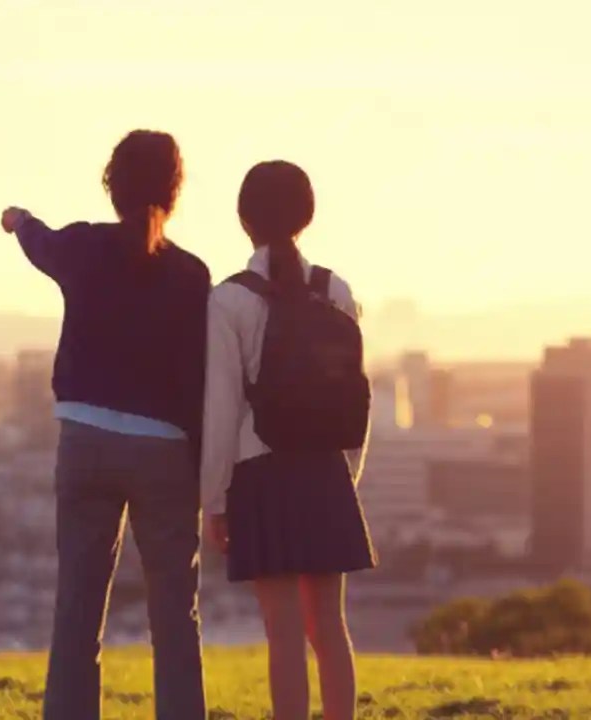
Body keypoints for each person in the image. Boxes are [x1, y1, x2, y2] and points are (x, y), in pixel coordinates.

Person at [0, 130, 211, 720]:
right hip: (166, 453)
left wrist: (17, 218)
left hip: (85, 441)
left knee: (77, 609)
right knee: (174, 615)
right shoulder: (193, 277)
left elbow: (38, 241)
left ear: (111, 186)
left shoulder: (83, 248)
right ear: (174, 192)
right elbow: (201, 382)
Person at [200, 160, 377, 720]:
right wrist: (346, 473)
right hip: (325, 471)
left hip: (260, 473)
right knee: (329, 625)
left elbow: (222, 409)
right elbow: (354, 397)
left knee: (282, 633)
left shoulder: (230, 300)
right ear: (307, 215)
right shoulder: (336, 290)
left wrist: (215, 500)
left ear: (243, 219)